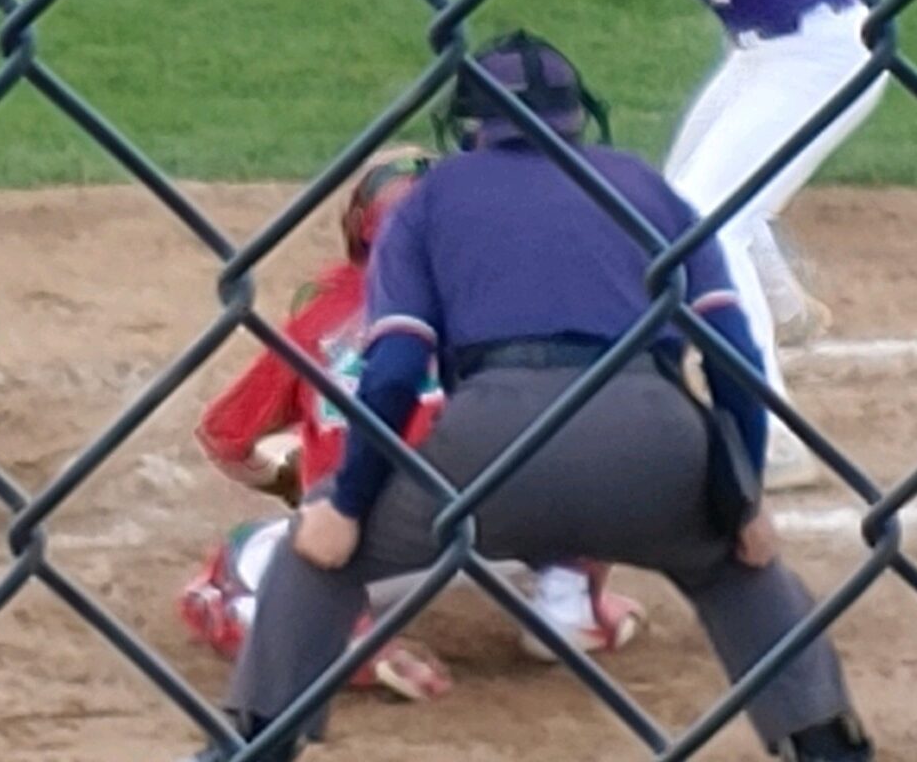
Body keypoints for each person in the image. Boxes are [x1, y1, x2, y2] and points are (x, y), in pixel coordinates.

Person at [176, 32, 874, 762]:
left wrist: (346, 506)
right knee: (740, 570)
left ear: (471, 128)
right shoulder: (644, 187)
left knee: (316, 558)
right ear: (578, 115)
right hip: (652, 436)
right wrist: (744, 499)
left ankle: (253, 746)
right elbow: (733, 352)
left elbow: (393, 368)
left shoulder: (431, 201)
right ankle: (826, 743)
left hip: (489, 444)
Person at [181, 148, 644, 703]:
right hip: (516, 530)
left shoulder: (321, 316)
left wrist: (287, 480)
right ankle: (571, 605)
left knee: (235, 562)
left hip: (363, 547)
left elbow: (225, 438)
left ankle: (336, 639)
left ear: (359, 230)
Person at [573, 0, 886, 487]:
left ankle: (775, 438)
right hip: (756, 57)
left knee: (707, 221)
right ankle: (784, 310)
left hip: (824, 51)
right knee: (685, 207)